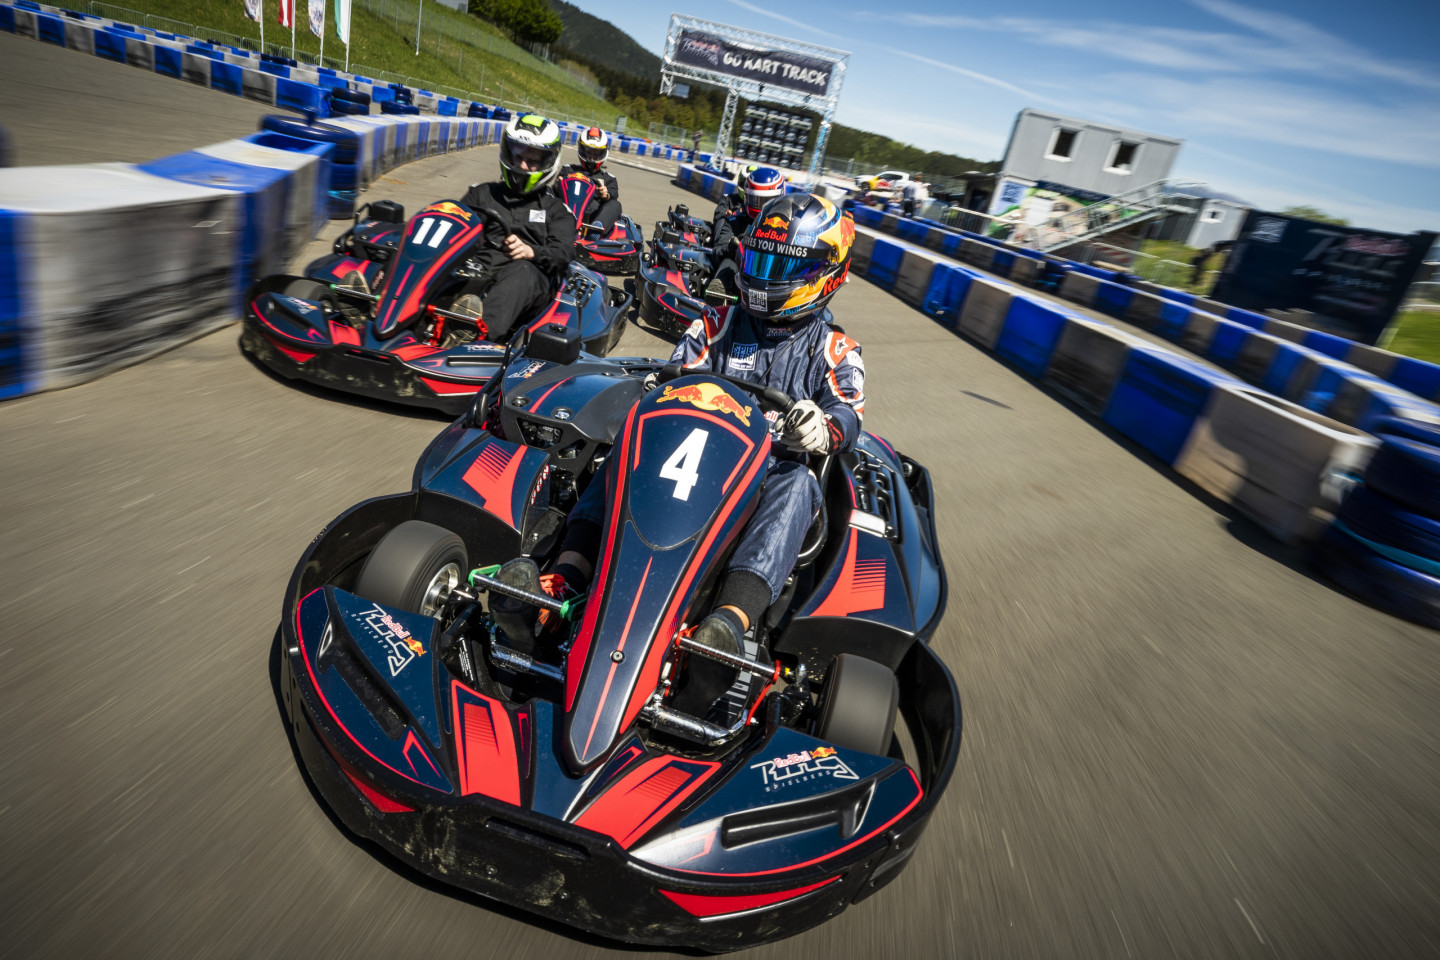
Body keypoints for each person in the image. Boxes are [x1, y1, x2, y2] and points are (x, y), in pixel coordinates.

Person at [494, 193, 865, 713]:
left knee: (799, 481)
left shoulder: (836, 349)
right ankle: (564, 579)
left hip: (763, 478)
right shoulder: (716, 322)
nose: (765, 276)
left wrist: (822, 427)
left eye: (783, 267)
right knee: (630, 444)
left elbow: (848, 411)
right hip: (696, 461)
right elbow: (675, 378)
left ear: (826, 274)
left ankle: (728, 623)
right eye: (761, 260)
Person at [456, 114, 575, 343]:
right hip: (478, 269)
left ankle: (475, 339)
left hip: (527, 279)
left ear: (547, 163)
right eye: (518, 157)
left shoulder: (556, 210)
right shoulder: (482, 194)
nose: (522, 166)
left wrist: (532, 252)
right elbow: (453, 225)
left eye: (532, 161)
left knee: (521, 273)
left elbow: (564, 254)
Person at [709, 166, 784, 295]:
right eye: (756, 200)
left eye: (766, 201)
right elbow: (717, 251)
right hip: (742, 275)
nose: (761, 206)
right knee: (728, 262)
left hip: (775, 274)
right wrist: (732, 247)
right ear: (746, 197)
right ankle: (719, 295)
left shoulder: (787, 224)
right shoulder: (734, 220)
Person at [556, 126, 622, 236]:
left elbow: (613, 194)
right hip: (566, 210)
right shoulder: (568, 169)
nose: (591, 158)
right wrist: (559, 185)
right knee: (547, 191)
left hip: (592, 215)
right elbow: (555, 189)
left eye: (596, 154)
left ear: (603, 153)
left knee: (616, 204)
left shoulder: (609, 178)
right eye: (589, 152)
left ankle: (595, 231)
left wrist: (605, 195)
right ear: (582, 151)